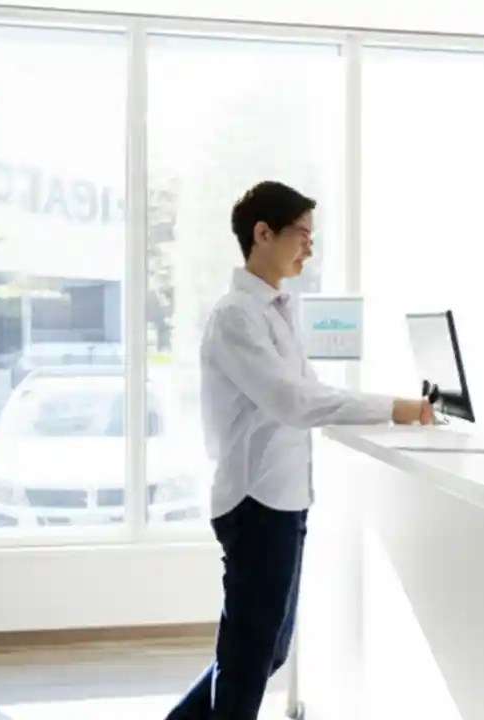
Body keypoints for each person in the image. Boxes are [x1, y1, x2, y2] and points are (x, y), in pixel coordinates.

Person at [166, 181, 434, 720]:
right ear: (262, 234)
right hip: (255, 501)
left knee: (267, 649)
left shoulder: (278, 310)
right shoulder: (236, 315)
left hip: (284, 500)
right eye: (302, 235)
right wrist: (394, 407)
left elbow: (308, 391)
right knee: (247, 657)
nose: (309, 247)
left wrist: (391, 407)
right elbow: (292, 400)